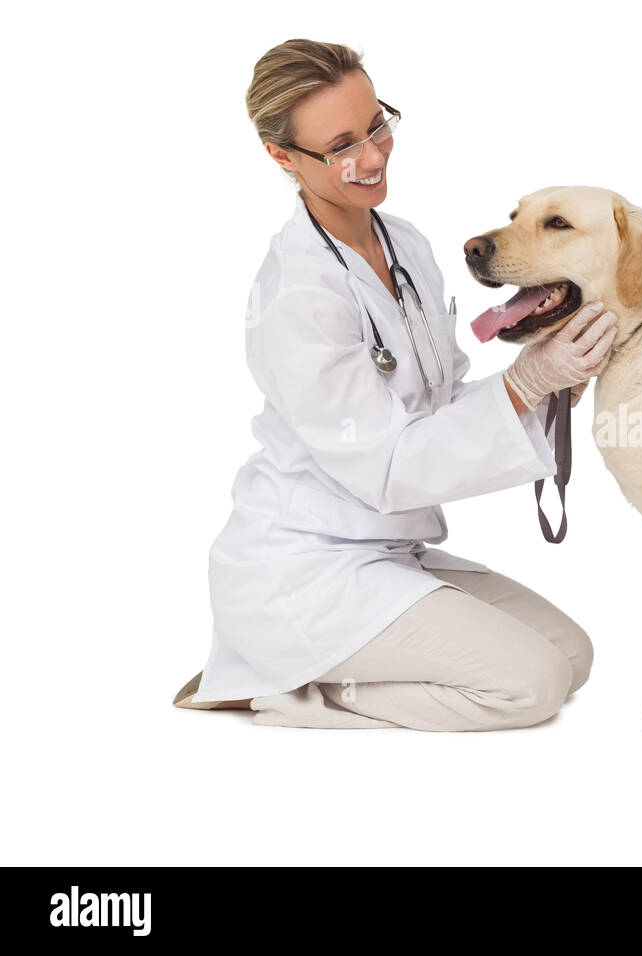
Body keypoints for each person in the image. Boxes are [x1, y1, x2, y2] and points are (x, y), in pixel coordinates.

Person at [171, 39, 616, 730]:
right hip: (303, 571)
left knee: (570, 655)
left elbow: (435, 411)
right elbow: (387, 466)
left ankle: (316, 667)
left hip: (387, 550)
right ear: (282, 156)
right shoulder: (298, 294)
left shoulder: (403, 244)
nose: (373, 156)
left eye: (378, 123)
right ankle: (289, 688)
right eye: (342, 143)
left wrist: (552, 385)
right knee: (529, 687)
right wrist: (525, 383)